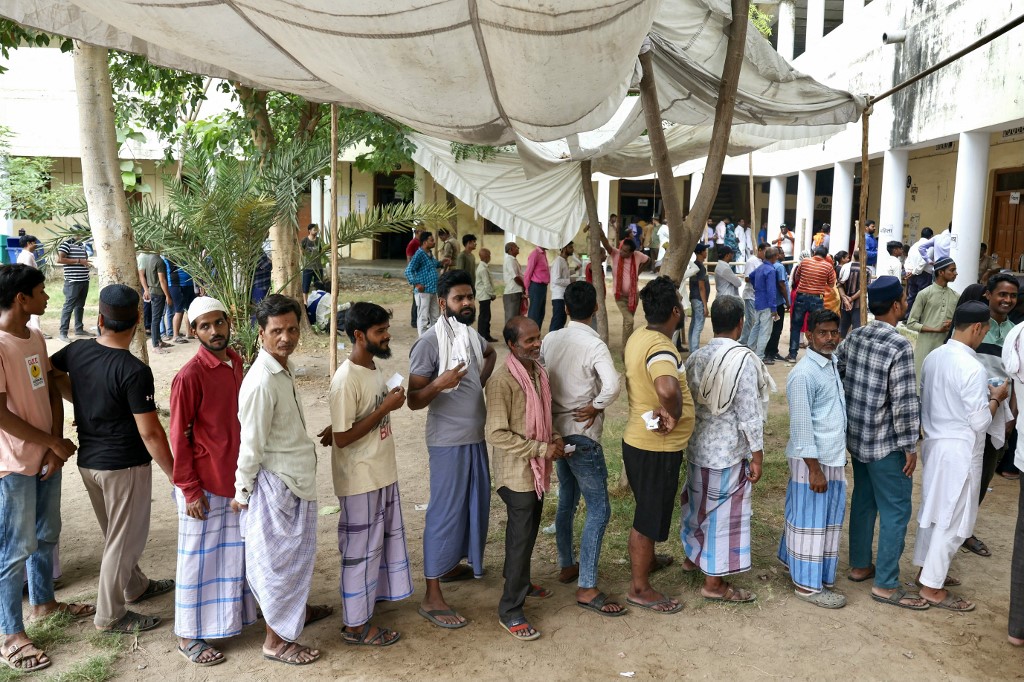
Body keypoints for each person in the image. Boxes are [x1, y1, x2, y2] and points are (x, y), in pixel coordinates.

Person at [50, 284, 175, 633]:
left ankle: (135, 586)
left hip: (90, 463)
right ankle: (110, 616)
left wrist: (84, 401)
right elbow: (150, 433)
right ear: (138, 318)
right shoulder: (133, 370)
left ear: (100, 318)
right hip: (124, 466)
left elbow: (50, 371)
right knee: (124, 540)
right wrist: (175, 473)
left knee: (115, 534)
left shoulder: (76, 351)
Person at [233, 295, 331, 666]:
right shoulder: (260, 381)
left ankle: (295, 615)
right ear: (262, 334)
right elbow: (250, 445)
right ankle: (276, 642)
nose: (286, 337)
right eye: (277, 331)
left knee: (294, 562)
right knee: (279, 565)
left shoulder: (282, 368)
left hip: (295, 480)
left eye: (292, 329)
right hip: (277, 486)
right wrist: (242, 492)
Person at [0, 265, 87, 673]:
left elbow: (50, 387)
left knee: (47, 533)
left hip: (46, 456)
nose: (48, 297)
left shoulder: (34, 336)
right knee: (14, 548)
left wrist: (55, 445)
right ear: (21, 299)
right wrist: (50, 442)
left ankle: (44, 604)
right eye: (40, 291)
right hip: (13, 463)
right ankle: (11, 635)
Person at [170, 296, 258, 666]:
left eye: (218, 323)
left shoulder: (236, 361)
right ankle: (188, 634)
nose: (214, 331)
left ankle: (232, 621)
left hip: (235, 477)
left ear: (229, 322)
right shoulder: (189, 376)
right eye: (204, 326)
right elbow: (178, 436)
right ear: (193, 331)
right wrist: (189, 488)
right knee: (197, 560)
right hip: (203, 484)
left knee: (234, 554)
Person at [319, 303, 412, 647]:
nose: (387, 336)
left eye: (387, 329)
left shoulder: (372, 367)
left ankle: (369, 601)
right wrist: (384, 408)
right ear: (359, 335)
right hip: (360, 479)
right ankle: (355, 627)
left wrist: (383, 405)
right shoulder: (345, 380)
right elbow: (343, 439)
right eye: (380, 331)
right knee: (360, 550)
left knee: (378, 546)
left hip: (380, 472)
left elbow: (347, 424)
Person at [408, 270, 497, 629]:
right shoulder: (430, 343)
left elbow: (490, 355)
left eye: (470, 297)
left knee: (474, 506)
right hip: (447, 442)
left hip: (475, 437)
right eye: (460, 298)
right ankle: (431, 597)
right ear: (443, 303)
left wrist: (477, 382)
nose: (468, 303)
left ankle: (449, 567)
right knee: (444, 513)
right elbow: (413, 400)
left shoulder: (471, 335)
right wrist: (442, 384)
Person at [835, 277, 928, 611]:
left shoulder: (855, 336)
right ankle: (887, 584)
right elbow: (904, 402)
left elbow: (839, 370)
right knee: (896, 510)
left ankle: (860, 565)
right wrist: (910, 446)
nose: (904, 303)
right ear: (896, 306)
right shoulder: (899, 346)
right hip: (886, 443)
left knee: (864, 500)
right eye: (902, 299)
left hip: (858, 437)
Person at [913, 300, 1007, 612]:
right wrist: (996, 398)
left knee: (934, 511)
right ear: (979, 328)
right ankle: (932, 586)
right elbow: (980, 421)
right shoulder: (972, 367)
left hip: (936, 445)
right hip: (961, 450)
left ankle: (925, 570)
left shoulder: (934, 357)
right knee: (951, 521)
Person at [540, 281, 623, 616]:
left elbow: (542, 377)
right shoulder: (594, 343)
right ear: (596, 309)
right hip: (583, 434)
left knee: (567, 502)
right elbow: (614, 384)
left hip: (558, 435)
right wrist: (598, 404)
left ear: (567, 309)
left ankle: (566, 563)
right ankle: (587, 586)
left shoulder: (551, 338)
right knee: (599, 509)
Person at [681, 295, 772, 604]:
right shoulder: (743, 360)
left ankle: (693, 557)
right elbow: (749, 413)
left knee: (697, 504)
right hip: (727, 451)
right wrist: (757, 455)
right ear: (740, 325)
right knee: (723, 515)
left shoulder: (696, 357)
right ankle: (714, 583)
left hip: (697, 446)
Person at [486, 316, 564, 639]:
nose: (536, 344)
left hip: (535, 470)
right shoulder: (502, 381)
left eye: (538, 338)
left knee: (528, 531)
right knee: (521, 538)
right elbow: (495, 433)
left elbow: (545, 417)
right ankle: (510, 610)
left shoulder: (537, 372)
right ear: (511, 345)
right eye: (529, 341)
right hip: (516, 473)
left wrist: (555, 438)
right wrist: (539, 449)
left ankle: (520, 580)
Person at [622, 276, 694, 614]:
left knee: (647, 511)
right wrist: (675, 414)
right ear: (676, 312)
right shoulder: (661, 348)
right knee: (647, 516)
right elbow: (666, 388)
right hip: (655, 447)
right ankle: (639, 588)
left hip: (642, 440)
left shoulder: (641, 336)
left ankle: (647, 562)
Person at [778, 309, 848, 609]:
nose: (830, 338)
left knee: (820, 520)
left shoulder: (830, 363)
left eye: (834, 332)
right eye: (823, 332)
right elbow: (802, 428)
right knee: (811, 523)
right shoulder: (803, 374)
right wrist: (815, 471)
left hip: (831, 456)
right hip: (814, 462)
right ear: (809, 336)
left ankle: (795, 564)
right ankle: (807, 586)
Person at [961, 273, 1019, 557]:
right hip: (968, 411)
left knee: (984, 473)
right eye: (1002, 294)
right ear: (988, 295)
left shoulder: (1016, 333)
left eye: (1012, 296)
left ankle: (966, 530)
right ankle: (953, 526)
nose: (1007, 300)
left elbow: (1016, 376)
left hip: (1000, 414)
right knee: (961, 474)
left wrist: (1013, 414)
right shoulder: (974, 326)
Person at [906, 257, 959, 381]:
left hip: (946, 350)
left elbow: (959, 324)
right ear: (941, 272)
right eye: (952, 270)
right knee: (921, 384)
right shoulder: (924, 294)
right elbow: (911, 323)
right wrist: (936, 329)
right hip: (925, 348)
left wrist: (953, 323)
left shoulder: (956, 296)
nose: (956, 273)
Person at [597, 231, 650, 351]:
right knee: (630, 321)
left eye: (626, 251)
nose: (622, 252)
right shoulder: (615, 254)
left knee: (627, 323)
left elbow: (649, 260)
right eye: (622, 249)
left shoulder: (637, 255)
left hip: (633, 296)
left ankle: (627, 347)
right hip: (619, 296)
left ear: (632, 252)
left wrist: (638, 272)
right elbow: (606, 245)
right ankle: (627, 348)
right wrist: (601, 235)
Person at [787, 246, 837, 363]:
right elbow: (830, 285)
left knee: (796, 326)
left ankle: (792, 355)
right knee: (816, 327)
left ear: (814, 253)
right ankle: (815, 354)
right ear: (825, 256)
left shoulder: (804, 262)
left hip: (801, 297)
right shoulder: (828, 266)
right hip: (817, 298)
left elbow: (797, 276)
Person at [405, 231, 447, 336]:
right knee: (423, 317)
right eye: (431, 240)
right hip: (423, 291)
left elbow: (434, 264)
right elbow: (408, 270)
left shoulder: (429, 254)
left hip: (433, 290)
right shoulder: (419, 254)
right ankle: (422, 340)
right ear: (424, 242)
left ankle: (434, 337)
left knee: (435, 316)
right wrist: (416, 284)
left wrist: (442, 263)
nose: (434, 242)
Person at [55, 233, 92, 343]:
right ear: (75, 233)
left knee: (80, 306)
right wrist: (79, 261)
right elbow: (60, 259)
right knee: (68, 307)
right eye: (82, 232)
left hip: (84, 280)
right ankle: (63, 333)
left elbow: (82, 260)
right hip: (73, 282)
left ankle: (79, 329)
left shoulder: (81, 245)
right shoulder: (66, 244)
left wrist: (86, 264)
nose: (83, 234)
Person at [748, 248, 780, 362]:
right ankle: (759, 356)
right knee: (765, 331)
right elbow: (771, 290)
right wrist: (774, 308)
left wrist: (758, 287)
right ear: (774, 256)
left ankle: (749, 349)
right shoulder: (770, 270)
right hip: (766, 303)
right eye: (777, 256)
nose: (778, 257)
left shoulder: (760, 267)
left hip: (758, 301)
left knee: (756, 327)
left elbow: (750, 276)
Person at [140, 251, 173, 354]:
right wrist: (168, 295)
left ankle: (158, 341)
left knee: (156, 318)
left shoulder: (149, 259)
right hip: (158, 292)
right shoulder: (159, 261)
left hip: (153, 291)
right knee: (156, 319)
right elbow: (162, 280)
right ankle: (155, 345)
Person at [738, 242, 765, 346]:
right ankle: (744, 341)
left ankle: (748, 341)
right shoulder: (751, 261)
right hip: (750, 295)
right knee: (751, 320)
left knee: (755, 320)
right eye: (765, 251)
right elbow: (747, 278)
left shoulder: (763, 262)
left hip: (758, 296)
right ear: (760, 250)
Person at [904, 227, 935, 313]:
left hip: (912, 273)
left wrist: (909, 271)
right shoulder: (930, 246)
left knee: (912, 296)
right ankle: (917, 318)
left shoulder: (914, 246)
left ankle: (908, 316)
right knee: (922, 298)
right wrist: (915, 272)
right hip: (923, 274)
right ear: (931, 236)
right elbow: (924, 260)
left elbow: (908, 260)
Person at [165, 257, 196, 343]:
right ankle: (175, 336)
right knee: (179, 311)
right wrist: (167, 295)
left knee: (190, 309)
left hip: (188, 284)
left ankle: (189, 333)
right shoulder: (169, 255)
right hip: (177, 285)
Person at [839, 251, 867, 337]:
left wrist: (846, 300)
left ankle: (838, 349)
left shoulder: (844, 268)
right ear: (864, 257)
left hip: (845, 305)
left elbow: (839, 286)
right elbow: (863, 289)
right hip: (858, 306)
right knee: (856, 331)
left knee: (842, 330)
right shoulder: (866, 270)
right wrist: (851, 299)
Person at [688, 244, 710, 352]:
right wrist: (705, 305)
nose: (706, 253)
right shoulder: (700, 268)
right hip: (699, 299)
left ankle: (692, 349)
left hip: (693, 297)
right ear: (701, 252)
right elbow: (702, 287)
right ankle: (694, 350)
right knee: (698, 326)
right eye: (705, 251)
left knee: (694, 324)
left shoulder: (694, 266)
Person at [548, 243, 573, 333]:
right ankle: (551, 340)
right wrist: (570, 282)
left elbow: (565, 274)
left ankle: (556, 341)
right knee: (557, 320)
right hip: (558, 296)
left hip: (563, 295)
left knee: (562, 319)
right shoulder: (558, 261)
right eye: (570, 247)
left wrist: (575, 271)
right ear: (564, 249)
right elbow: (556, 280)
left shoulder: (564, 261)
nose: (572, 249)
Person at [524, 244, 550, 329]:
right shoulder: (535, 254)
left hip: (543, 286)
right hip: (536, 286)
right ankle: (530, 333)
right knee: (534, 312)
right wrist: (526, 289)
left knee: (541, 312)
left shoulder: (543, 253)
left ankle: (536, 333)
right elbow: (528, 273)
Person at [475, 248, 497, 342]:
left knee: (486, 316)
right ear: (486, 257)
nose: (490, 257)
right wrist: (492, 294)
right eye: (489, 255)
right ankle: (483, 336)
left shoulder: (483, 267)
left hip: (484, 295)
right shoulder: (483, 268)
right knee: (484, 317)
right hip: (484, 295)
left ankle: (486, 335)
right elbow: (486, 284)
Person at [502, 242, 525, 324]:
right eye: (516, 247)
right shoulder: (510, 261)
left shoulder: (513, 260)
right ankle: (509, 336)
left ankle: (514, 336)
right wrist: (524, 286)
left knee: (516, 318)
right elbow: (516, 277)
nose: (518, 248)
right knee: (511, 318)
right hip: (512, 292)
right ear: (511, 249)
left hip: (515, 291)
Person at [300, 224, 323, 305]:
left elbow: (320, 251)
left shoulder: (319, 240)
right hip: (308, 267)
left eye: (317, 230)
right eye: (314, 230)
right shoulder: (304, 240)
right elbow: (301, 252)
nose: (316, 231)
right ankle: (305, 302)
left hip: (318, 267)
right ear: (309, 231)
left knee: (319, 286)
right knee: (305, 286)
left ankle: (317, 301)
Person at [406, 229, 423, 329]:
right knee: (416, 299)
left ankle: (418, 319)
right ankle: (414, 321)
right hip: (415, 274)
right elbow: (409, 258)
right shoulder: (413, 243)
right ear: (416, 232)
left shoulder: (421, 243)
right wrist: (412, 274)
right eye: (422, 231)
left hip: (420, 273)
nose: (423, 233)